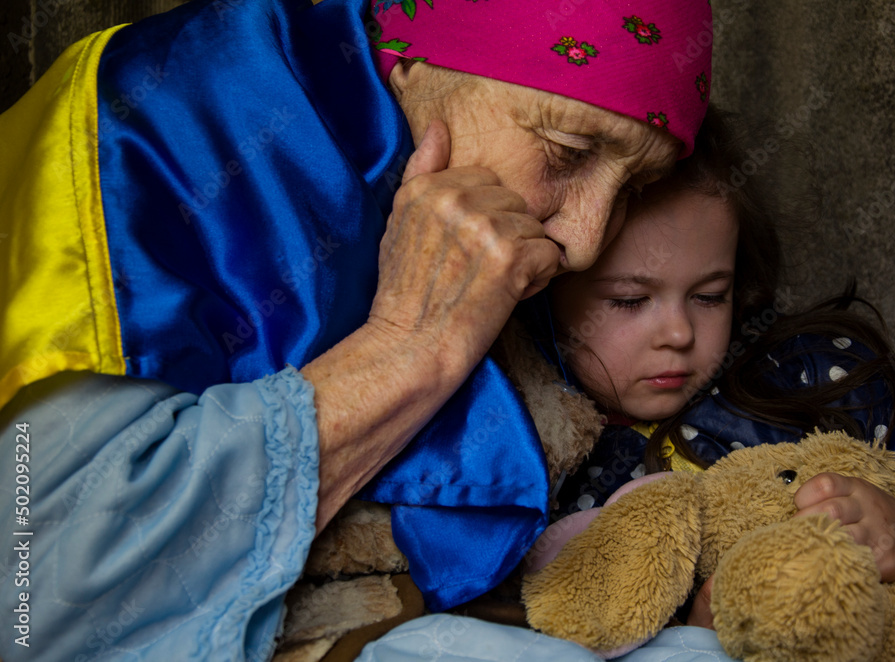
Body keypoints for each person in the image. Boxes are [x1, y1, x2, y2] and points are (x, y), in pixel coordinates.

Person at [0, 0, 714, 660]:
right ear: (414, 64)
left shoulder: (453, 164)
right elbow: (31, 602)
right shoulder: (145, 137)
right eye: (564, 150)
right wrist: (408, 345)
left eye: (635, 189)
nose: (586, 241)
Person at [539, 107, 895, 625]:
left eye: (710, 295)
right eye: (629, 300)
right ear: (545, 288)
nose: (679, 334)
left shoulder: (805, 378)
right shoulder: (530, 446)